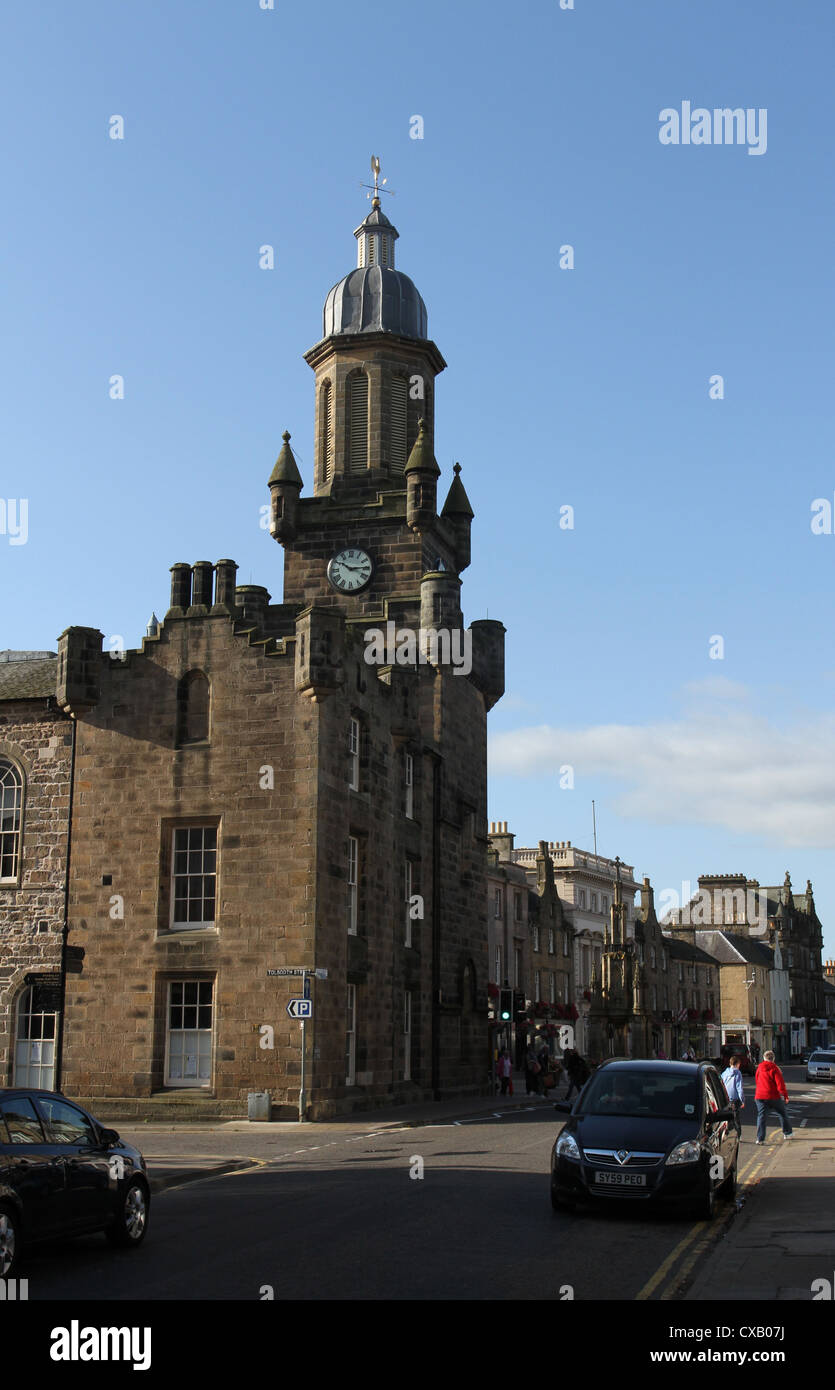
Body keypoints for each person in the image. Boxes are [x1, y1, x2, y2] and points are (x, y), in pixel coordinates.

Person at [754, 1049, 793, 1143]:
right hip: (773, 1096)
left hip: (760, 1096)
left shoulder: (759, 1067)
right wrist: (785, 1096)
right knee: (782, 1114)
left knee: (761, 1117)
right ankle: (787, 1133)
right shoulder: (775, 1068)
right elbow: (780, 1084)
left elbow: (757, 1080)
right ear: (773, 1059)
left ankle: (760, 1139)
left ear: (764, 1058)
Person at [720, 1054, 745, 1136]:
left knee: (726, 1117)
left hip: (725, 1098)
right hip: (735, 1099)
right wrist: (742, 1100)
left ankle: (726, 1133)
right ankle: (738, 1135)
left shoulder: (724, 1073)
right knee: (735, 1117)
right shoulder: (737, 1073)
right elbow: (739, 1087)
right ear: (737, 1064)